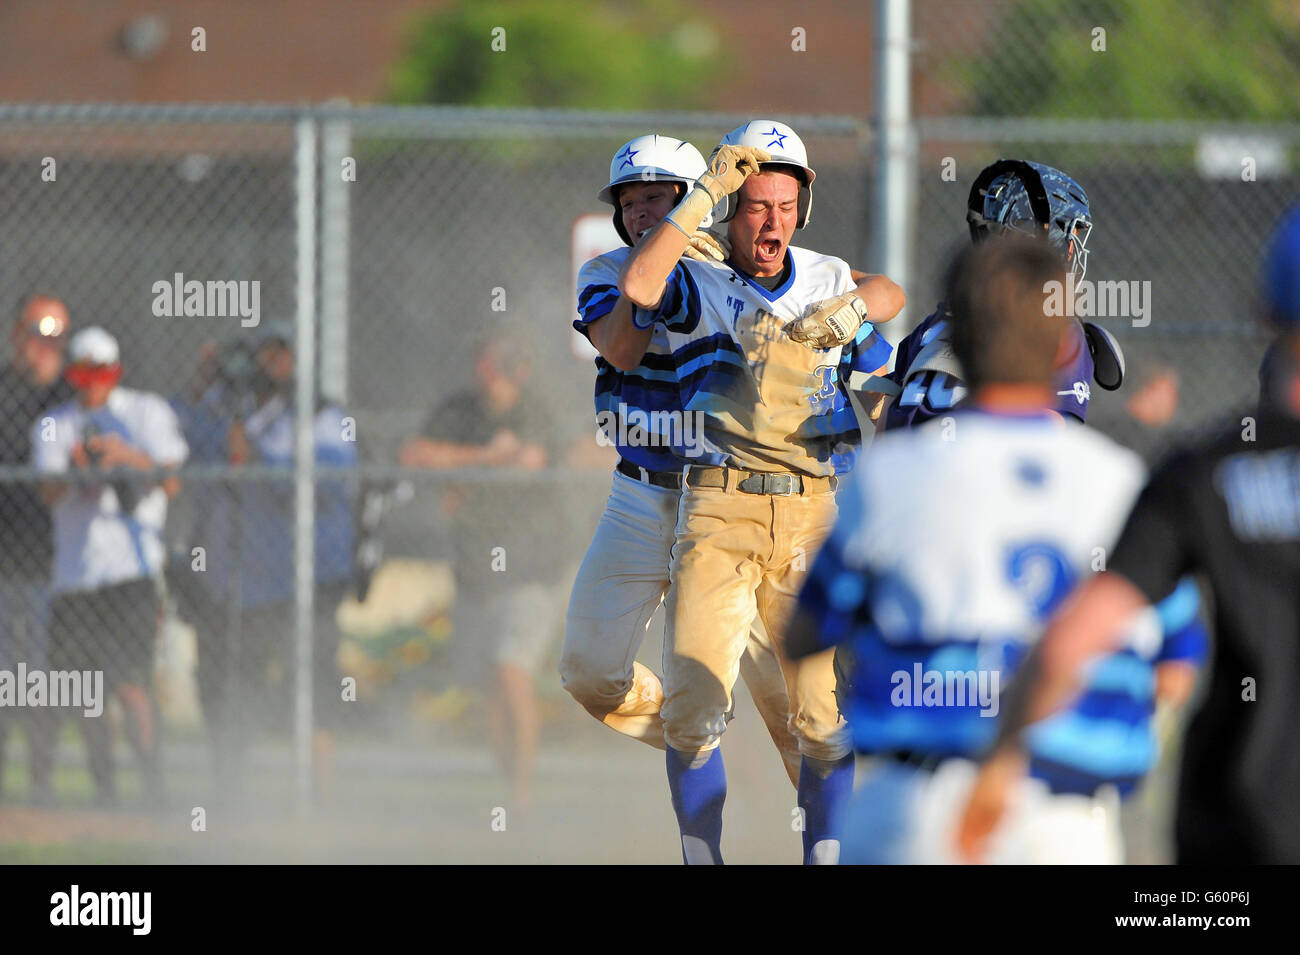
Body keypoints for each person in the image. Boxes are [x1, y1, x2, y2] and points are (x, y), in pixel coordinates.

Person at [809, 159, 1206, 861]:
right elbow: (1173, 659)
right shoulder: (1103, 466)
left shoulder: (918, 407)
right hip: (1053, 787)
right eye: (1063, 240)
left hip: (919, 779)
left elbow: (810, 624)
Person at [957, 204, 1300, 865]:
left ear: (1263, 310)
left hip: (1243, 820)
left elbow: (1072, 642)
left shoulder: (1207, 473)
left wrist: (1001, 762)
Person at [617, 119, 904, 864]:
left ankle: (826, 855)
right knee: (692, 706)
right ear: (730, 210)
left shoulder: (827, 277)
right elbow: (639, 285)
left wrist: (861, 308)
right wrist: (705, 192)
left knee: (824, 714)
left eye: (784, 205)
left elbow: (886, 329)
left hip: (815, 510)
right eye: (753, 205)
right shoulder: (698, 274)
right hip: (720, 506)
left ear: (802, 211)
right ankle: (701, 855)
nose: (770, 220)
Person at [560, 133, 808, 792]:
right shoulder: (608, 272)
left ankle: (841, 839)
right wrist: (661, 262)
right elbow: (618, 347)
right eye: (634, 201)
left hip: (735, 503)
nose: (644, 212)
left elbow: (845, 286)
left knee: (794, 711)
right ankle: (696, 731)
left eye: (661, 198)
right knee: (589, 672)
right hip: (641, 497)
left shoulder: (742, 273)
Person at [185, 323, 356, 798]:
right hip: (243, 583)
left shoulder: (323, 416)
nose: (272, 366)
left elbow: (326, 481)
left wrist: (258, 457)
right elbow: (182, 447)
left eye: (284, 355)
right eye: (265, 356)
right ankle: (233, 790)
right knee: (235, 684)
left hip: (308, 579)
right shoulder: (227, 413)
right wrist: (204, 380)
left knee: (314, 683)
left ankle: (317, 797)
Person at [400, 339, 566, 812]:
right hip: (475, 570)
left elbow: (533, 460)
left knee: (511, 673)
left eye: (503, 365)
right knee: (489, 690)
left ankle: (522, 797)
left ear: (521, 370)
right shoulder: (460, 409)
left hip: (532, 569)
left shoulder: (536, 410)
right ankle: (510, 789)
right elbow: (416, 453)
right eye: (487, 363)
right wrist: (485, 459)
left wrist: (468, 469)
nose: (492, 373)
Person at [32, 326, 188, 806]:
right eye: (85, 372)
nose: (94, 382)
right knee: (83, 689)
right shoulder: (54, 424)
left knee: (129, 680)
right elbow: (48, 492)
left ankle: (154, 787)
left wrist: (126, 457)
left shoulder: (146, 412)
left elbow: (171, 482)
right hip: (75, 575)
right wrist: (79, 468)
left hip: (131, 571)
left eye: (102, 371)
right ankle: (105, 792)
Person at [875, 159, 1124, 432]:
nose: (1075, 249)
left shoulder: (937, 321)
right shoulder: (1054, 327)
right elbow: (1056, 432)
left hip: (909, 463)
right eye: (1072, 232)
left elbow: (887, 414)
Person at [0, 296, 72, 803]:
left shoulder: (72, 398)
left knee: (46, 678)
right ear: (15, 337)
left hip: (56, 561)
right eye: (36, 336)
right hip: (2, 558)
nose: (44, 349)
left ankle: (42, 784)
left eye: (55, 339)